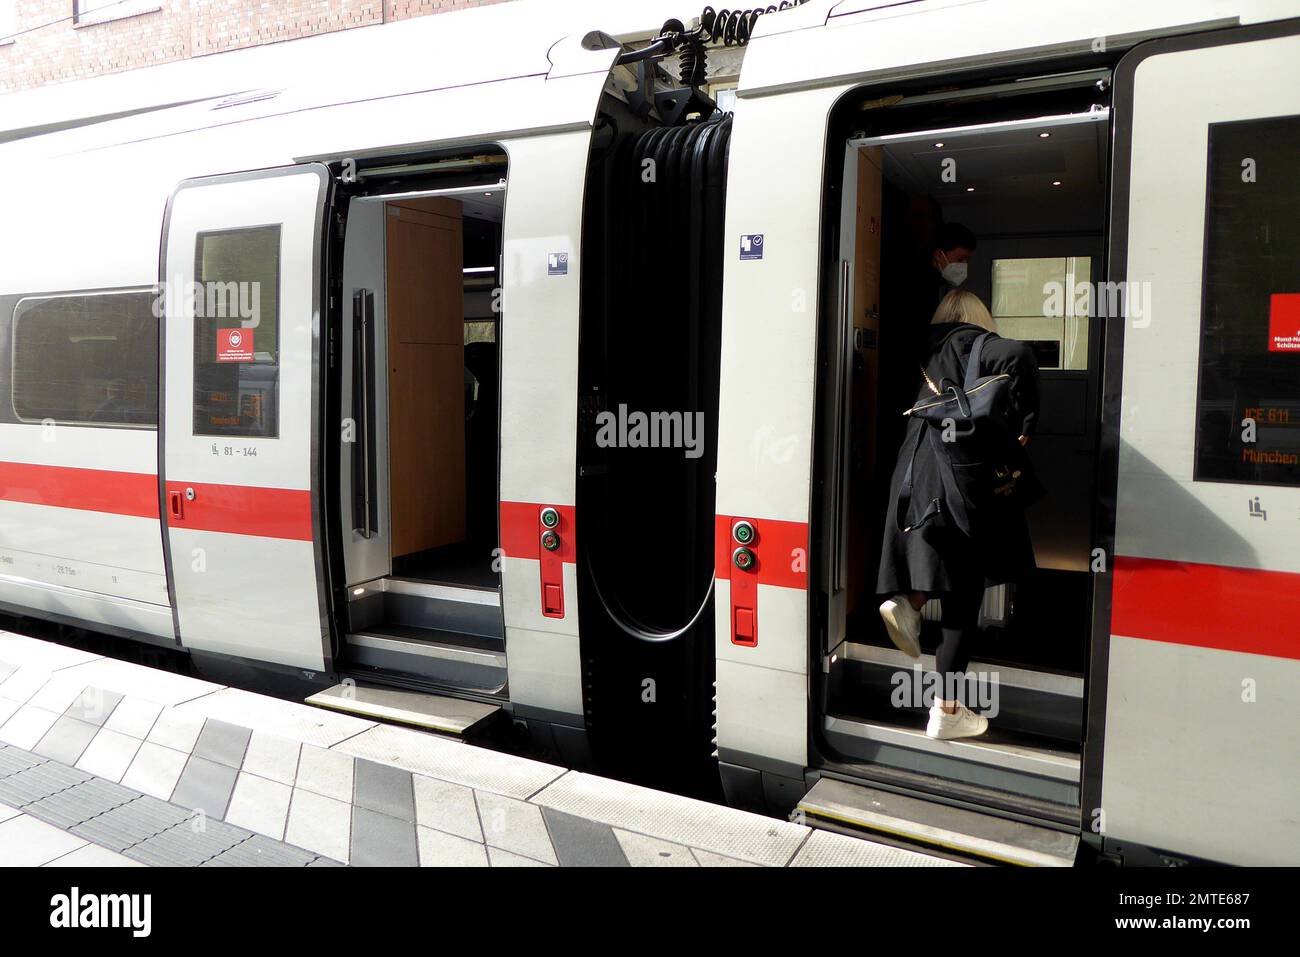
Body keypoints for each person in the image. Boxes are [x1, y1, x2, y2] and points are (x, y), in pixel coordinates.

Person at [876, 290, 1040, 741]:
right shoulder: (976, 342)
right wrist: (1027, 422)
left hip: (913, 475)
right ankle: (946, 711)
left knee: (940, 563)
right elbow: (1022, 354)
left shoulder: (919, 347)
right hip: (961, 480)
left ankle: (908, 603)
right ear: (976, 318)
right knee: (963, 595)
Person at [918, 222, 977, 317]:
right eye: (960, 259)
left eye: (967, 260)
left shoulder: (938, 284)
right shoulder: (921, 285)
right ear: (939, 255)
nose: (964, 265)